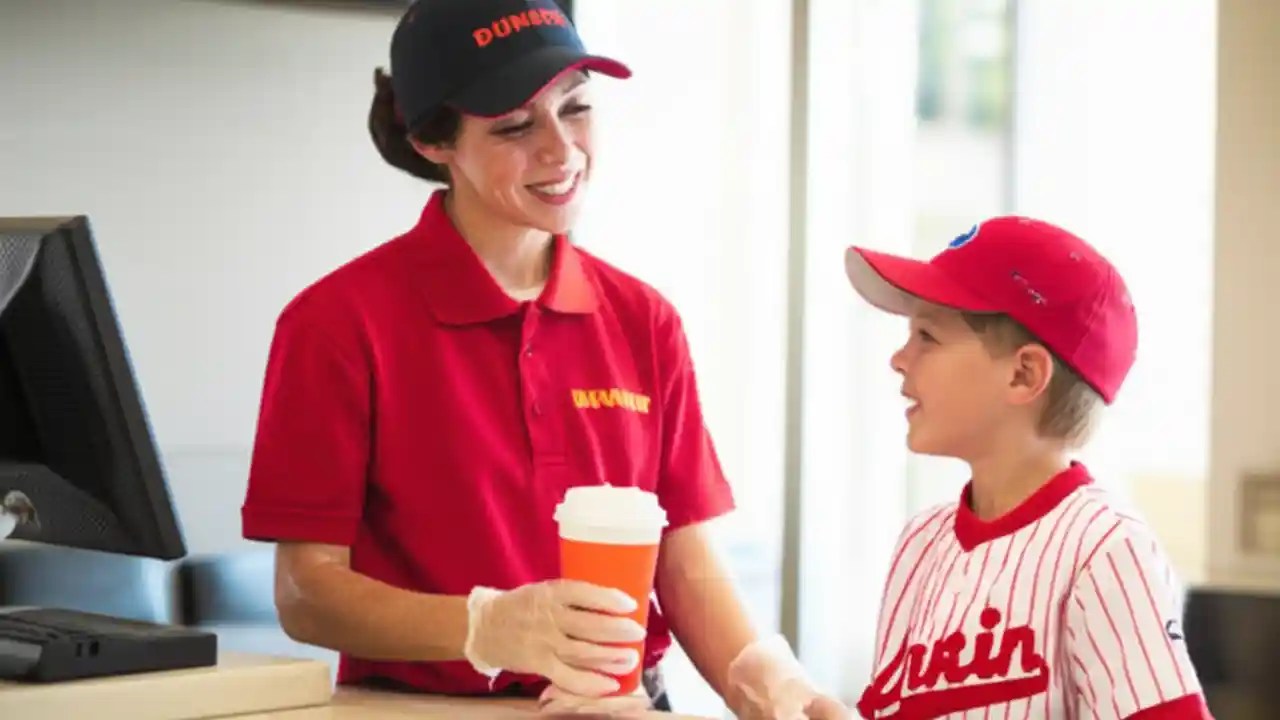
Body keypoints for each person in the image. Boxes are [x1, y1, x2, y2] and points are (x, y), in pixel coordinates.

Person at [239, 0, 848, 717]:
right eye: (515, 126)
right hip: (416, 708)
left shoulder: (643, 320)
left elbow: (682, 561)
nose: (562, 151)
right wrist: (485, 627)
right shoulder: (337, 323)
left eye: (577, 107)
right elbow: (307, 593)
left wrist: (767, 685)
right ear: (435, 142)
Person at [841, 218, 1213, 719]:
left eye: (926, 335)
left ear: (1023, 373)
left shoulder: (1105, 548)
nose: (899, 359)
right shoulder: (920, 543)